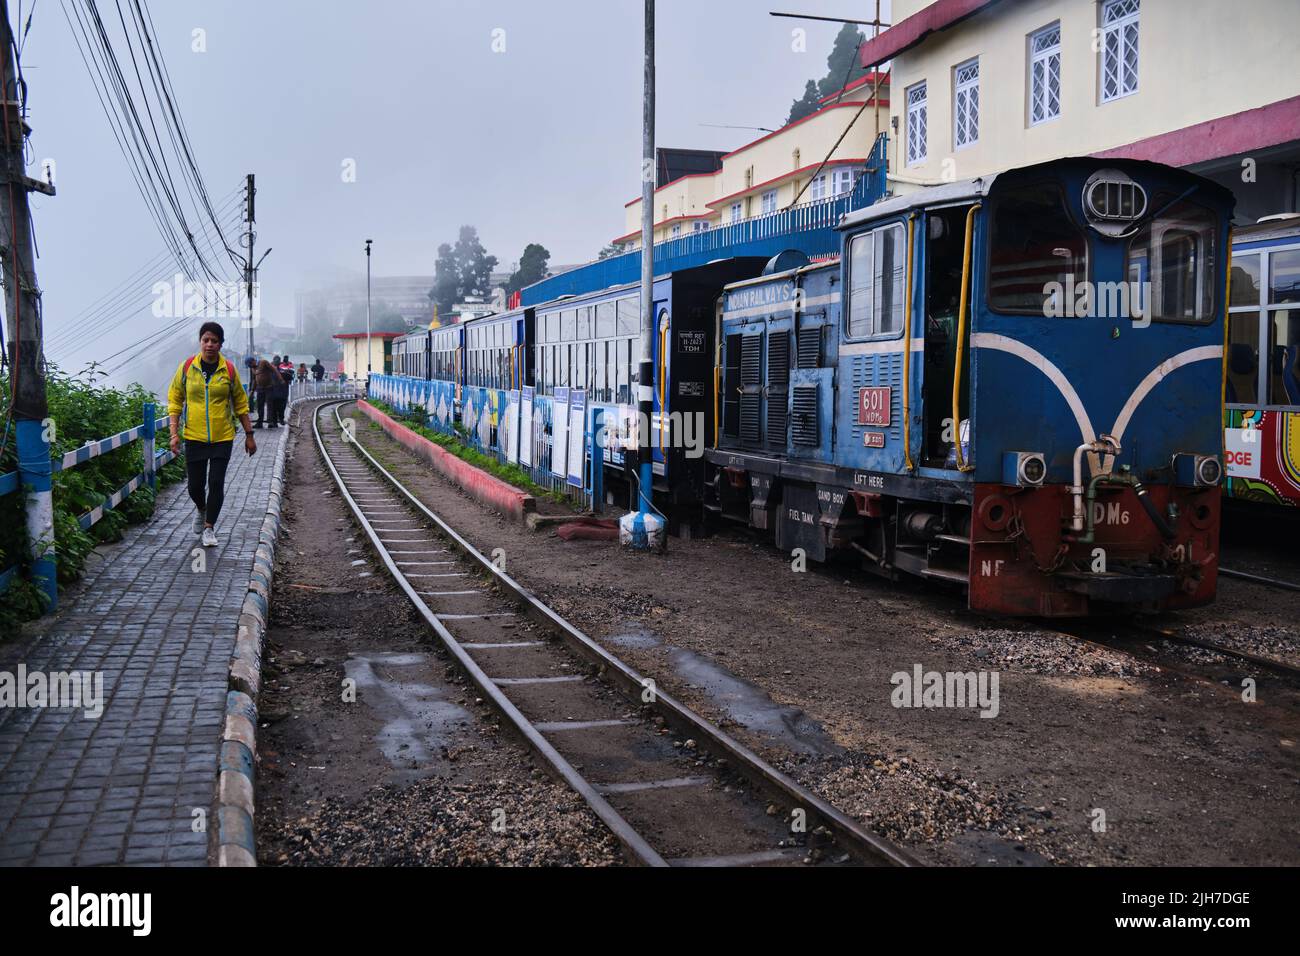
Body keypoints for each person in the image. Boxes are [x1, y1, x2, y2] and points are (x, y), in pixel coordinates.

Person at [168, 321, 256, 548]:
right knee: (194, 487)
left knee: (216, 482)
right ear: (200, 342)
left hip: (222, 437)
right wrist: (174, 433)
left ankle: (209, 527)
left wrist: (249, 434)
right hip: (194, 436)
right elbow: (175, 400)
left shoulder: (228, 370)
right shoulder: (187, 367)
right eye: (206, 340)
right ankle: (201, 508)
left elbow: (240, 403)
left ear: (221, 344)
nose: (209, 345)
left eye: (214, 341)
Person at [254, 359, 279, 427]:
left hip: (269, 387)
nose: (250, 366)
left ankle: (270, 421)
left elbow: (274, 370)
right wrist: (252, 390)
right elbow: (254, 380)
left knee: (270, 405)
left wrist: (280, 379)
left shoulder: (264, 363)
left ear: (253, 361)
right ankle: (260, 422)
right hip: (260, 388)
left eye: (251, 364)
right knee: (260, 405)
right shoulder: (253, 368)